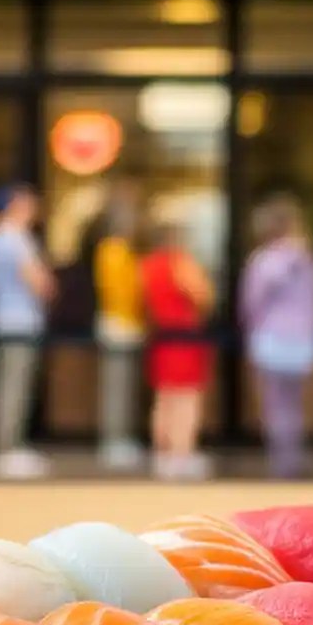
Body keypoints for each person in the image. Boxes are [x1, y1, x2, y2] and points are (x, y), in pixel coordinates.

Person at [240, 194, 313, 478]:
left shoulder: (264, 261)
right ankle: (294, 458)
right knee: (295, 403)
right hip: (302, 341)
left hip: (271, 340)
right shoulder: (308, 259)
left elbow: (252, 303)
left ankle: (280, 461)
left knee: (275, 404)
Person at [0, 184, 55, 478]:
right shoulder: (14, 238)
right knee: (13, 386)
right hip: (18, 322)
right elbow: (39, 283)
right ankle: (6, 449)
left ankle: (6, 446)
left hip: (6, 320)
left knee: (8, 383)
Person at [141, 223, 215, 480]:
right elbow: (202, 295)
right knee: (186, 398)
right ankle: (181, 455)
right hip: (184, 336)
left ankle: (162, 455)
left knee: (164, 398)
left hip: (161, 336)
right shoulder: (180, 262)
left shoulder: (147, 265)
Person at [94, 178, 146, 470]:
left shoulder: (123, 250)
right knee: (116, 387)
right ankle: (113, 440)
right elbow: (119, 292)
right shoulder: (113, 250)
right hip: (118, 325)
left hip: (128, 325)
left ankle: (122, 437)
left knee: (125, 387)